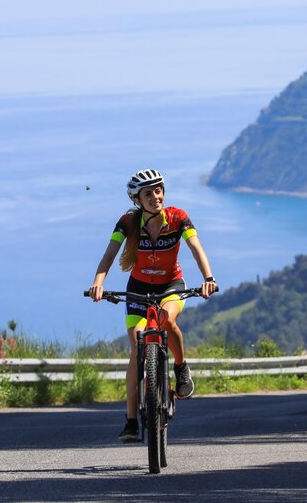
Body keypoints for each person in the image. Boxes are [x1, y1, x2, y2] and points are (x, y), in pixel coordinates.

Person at [88, 168, 217, 442]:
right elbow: (109, 255)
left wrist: (208, 278)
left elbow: (196, 248)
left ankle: (181, 369)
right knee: (137, 345)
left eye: (158, 191)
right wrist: (98, 282)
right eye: (148, 193)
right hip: (138, 289)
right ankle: (132, 421)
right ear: (137, 199)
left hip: (171, 286)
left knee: (167, 321)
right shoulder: (127, 222)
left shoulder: (178, 218)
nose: (155, 197)